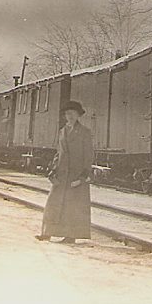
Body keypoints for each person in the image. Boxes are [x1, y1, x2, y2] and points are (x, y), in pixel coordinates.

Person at [35, 100, 94, 244]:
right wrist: (53, 168)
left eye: (73, 114)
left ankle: (71, 236)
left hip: (76, 174)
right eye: (68, 114)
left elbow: (89, 154)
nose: (70, 116)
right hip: (61, 173)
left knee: (73, 206)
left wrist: (85, 174)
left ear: (78, 115)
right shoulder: (62, 131)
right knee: (53, 203)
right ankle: (47, 232)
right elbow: (59, 153)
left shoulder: (85, 132)